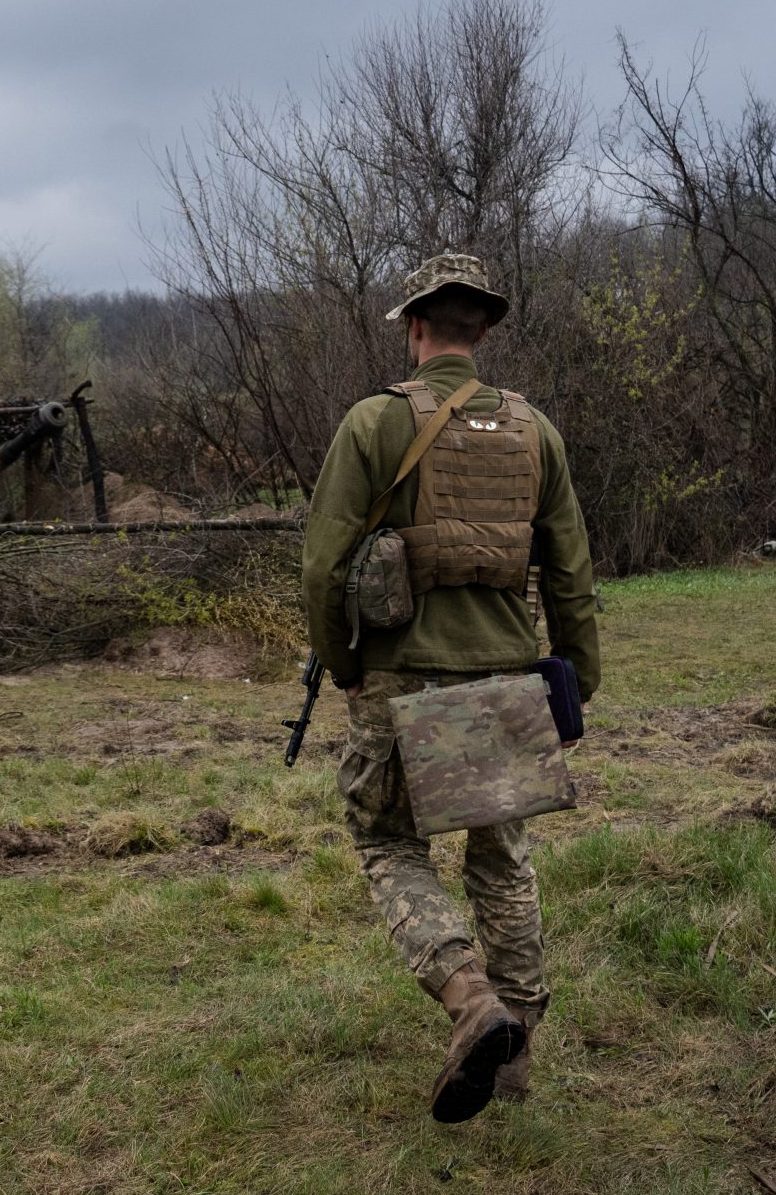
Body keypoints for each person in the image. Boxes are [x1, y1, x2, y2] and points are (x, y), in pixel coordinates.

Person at [300, 252, 601, 1123]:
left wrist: (349, 668)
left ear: (416, 327)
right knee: (502, 861)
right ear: (483, 331)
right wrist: (579, 677)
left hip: (401, 680)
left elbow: (322, 568)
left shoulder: (372, 424)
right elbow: (571, 571)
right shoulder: (533, 431)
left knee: (389, 844)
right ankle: (514, 1069)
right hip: (507, 675)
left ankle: (472, 1004)